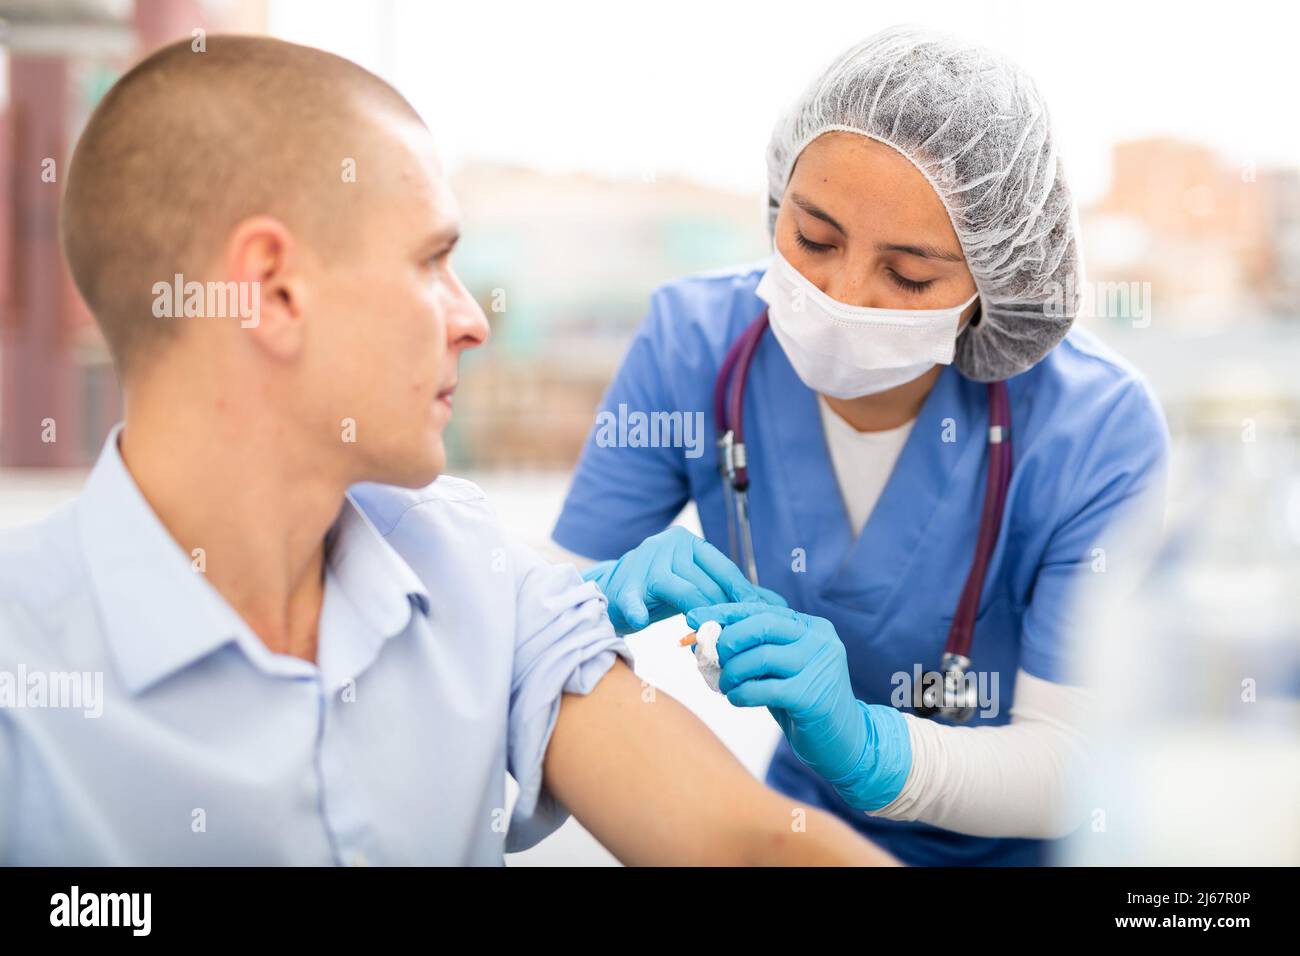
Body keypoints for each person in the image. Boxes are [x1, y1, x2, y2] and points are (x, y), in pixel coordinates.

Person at [0, 35, 897, 867]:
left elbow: (753, 846)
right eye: (432, 261)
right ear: (270, 294)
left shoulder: (469, 572)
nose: (472, 321)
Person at [554, 27, 1169, 865]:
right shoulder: (693, 343)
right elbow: (543, 613)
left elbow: (1075, 763)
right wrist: (590, 595)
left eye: (910, 276)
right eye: (814, 238)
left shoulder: (1095, 430)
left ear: (994, 281)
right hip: (794, 836)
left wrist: (873, 750)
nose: (841, 295)